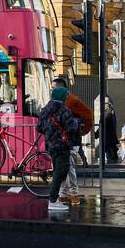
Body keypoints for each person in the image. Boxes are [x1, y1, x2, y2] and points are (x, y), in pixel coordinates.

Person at [37, 85, 81, 213]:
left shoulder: (45, 109)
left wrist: (50, 130)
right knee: (61, 171)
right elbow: (71, 128)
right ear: (63, 97)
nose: (67, 98)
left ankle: (54, 199)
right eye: (66, 96)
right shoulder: (64, 110)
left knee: (58, 169)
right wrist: (76, 123)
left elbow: (39, 127)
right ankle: (53, 200)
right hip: (62, 145)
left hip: (50, 145)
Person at [53, 74, 92, 202]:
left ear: (60, 88)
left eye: (53, 88)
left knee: (69, 167)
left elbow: (88, 114)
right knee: (65, 166)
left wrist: (83, 131)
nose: (51, 91)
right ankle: (64, 194)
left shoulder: (70, 101)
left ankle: (73, 193)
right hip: (66, 139)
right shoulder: (64, 101)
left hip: (71, 139)